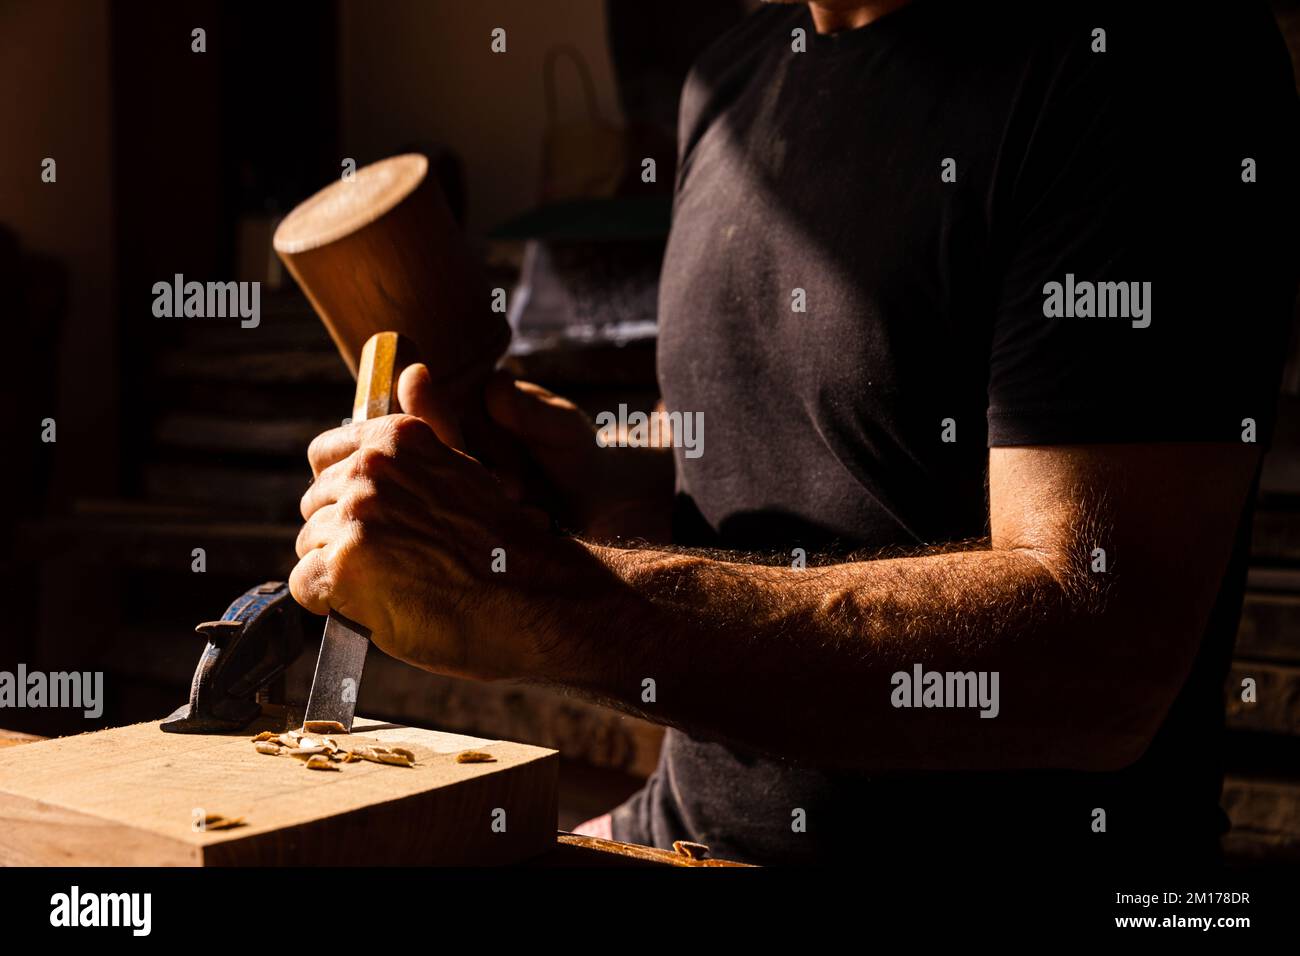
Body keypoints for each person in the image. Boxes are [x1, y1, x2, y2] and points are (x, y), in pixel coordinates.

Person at [290, 0, 1300, 866]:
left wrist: (545, 599)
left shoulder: (1148, 60)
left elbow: (1098, 651)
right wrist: (606, 488)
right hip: (686, 837)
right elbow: (812, 463)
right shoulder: (738, 77)